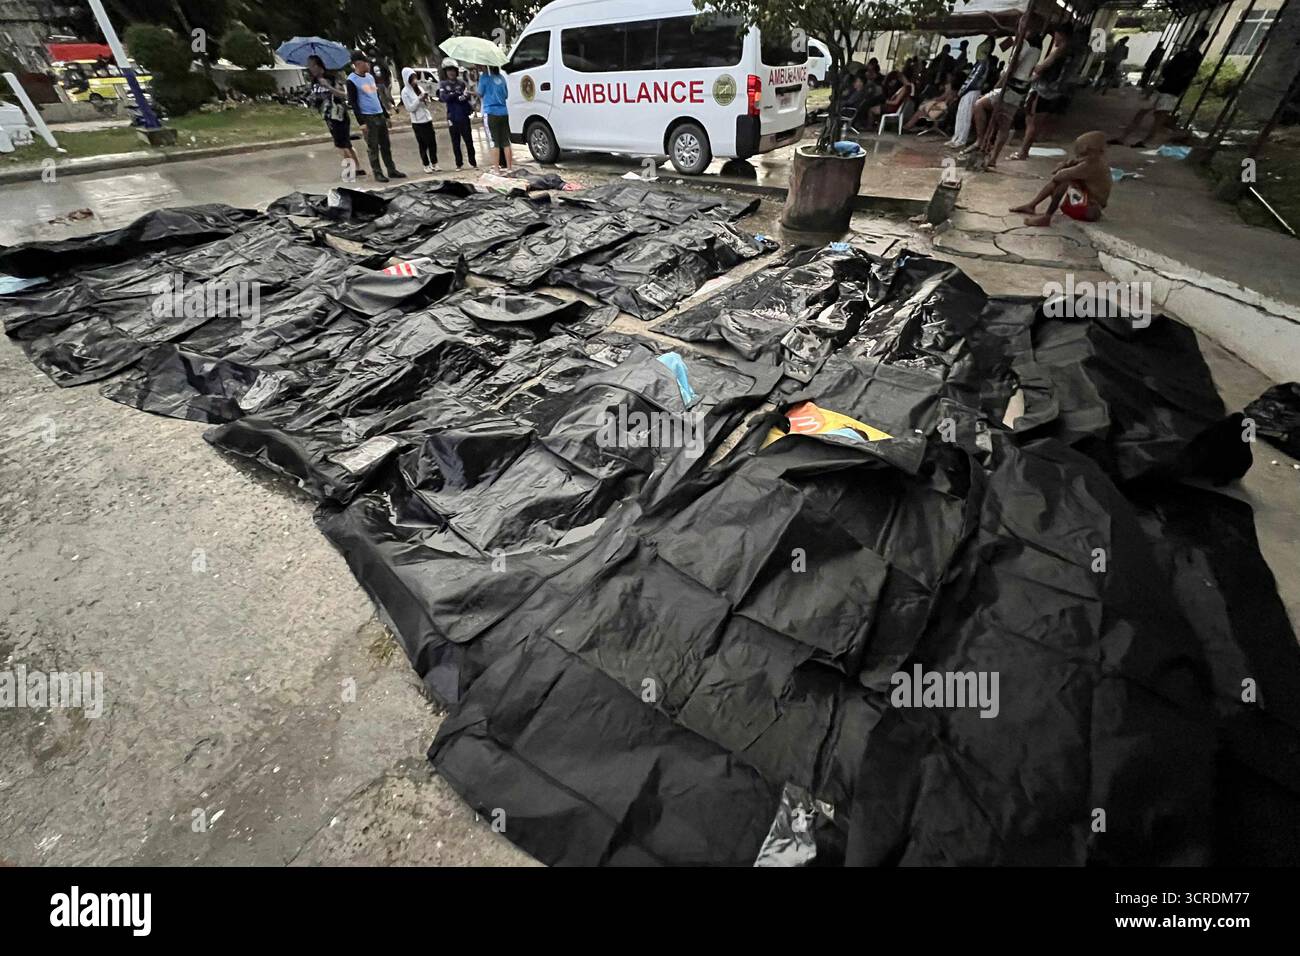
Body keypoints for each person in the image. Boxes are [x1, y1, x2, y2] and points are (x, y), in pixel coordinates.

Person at [1110, 30, 1208, 147]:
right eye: (1193, 40)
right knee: (1143, 112)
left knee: (1158, 118)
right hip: (1165, 87)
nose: (1193, 42)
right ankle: (1124, 138)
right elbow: (1169, 70)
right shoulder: (1182, 55)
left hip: (1172, 90)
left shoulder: (1195, 58)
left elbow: (1186, 74)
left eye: (1196, 40)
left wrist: (1175, 79)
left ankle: (1145, 141)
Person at [1009, 130, 1112, 225]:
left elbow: (1059, 176)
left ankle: (1046, 217)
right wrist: (1067, 164)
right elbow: (1076, 162)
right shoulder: (1096, 160)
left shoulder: (1091, 165)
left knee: (1063, 181)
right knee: (1063, 179)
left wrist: (1064, 167)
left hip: (1090, 210)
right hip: (1090, 205)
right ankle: (1031, 206)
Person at [1011, 23, 1073, 160]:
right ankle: (1025, 150)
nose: (1054, 37)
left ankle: (1023, 152)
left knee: (1031, 122)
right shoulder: (1071, 53)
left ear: (1061, 34)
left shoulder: (1058, 51)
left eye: (1055, 34)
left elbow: (1040, 68)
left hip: (1042, 90)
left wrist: (1035, 68)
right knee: (1037, 123)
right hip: (1055, 91)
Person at [347, 51, 405, 182]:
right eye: (365, 62)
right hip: (368, 116)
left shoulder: (370, 77)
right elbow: (354, 103)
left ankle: (391, 169)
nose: (368, 65)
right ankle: (377, 172)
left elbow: (376, 97)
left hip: (379, 113)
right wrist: (361, 122)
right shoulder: (352, 81)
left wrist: (386, 115)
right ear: (357, 63)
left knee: (386, 144)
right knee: (373, 147)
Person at [306, 54, 366, 180]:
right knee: (345, 144)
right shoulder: (314, 81)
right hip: (328, 116)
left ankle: (351, 170)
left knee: (341, 144)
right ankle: (357, 168)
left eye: (311, 65)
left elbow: (344, 95)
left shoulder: (332, 78)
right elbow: (317, 98)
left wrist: (328, 87)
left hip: (338, 114)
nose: (310, 68)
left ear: (317, 65)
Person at [947, 46, 995, 147]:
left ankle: (961, 140)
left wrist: (962, 91)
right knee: (961, 114)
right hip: (967, 91)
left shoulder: (983, 64)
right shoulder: (979, 64)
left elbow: (973, 80)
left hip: (972, 91)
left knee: (965, 116)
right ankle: (956, 137)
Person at [437, 61, 477, 169]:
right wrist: (455, 94)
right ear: (446, 72)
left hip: (463, 116)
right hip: (452, 117)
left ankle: (473, 162)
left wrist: (461, 97)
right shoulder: (443, 84)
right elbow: (444, 98)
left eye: (453, 70)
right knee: (456, 142)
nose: (451, 72)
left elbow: (466, 97)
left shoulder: (461, 83)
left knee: (469, 140)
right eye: (449, 70)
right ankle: (459, 164)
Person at [400, 68, 440, 173]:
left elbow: (427, 104)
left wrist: (426, 99)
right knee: (423, 144)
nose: (414, 80)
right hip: (418, 122)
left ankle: (435, 163)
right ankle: (426, 164)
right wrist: (418, 100)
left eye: (414, 77)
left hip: (427, 118)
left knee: (432, 142)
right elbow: (409, 108)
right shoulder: (405, 92)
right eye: (411, 78)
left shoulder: (419, 88)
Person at [478, 63, 512, 170]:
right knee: (506, 141)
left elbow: (480, 93)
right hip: (503, 112)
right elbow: (506, 95)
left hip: (490, 112)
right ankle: (509, 168)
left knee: (494, 142)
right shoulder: (501, 78)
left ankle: (496, 169)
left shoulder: (484, 77)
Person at [869, 63, 916, 128]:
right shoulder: (910, 87)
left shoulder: (905, 88)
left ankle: (869, 127)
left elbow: (896, 102)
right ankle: (878, 125)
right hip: (894, 107)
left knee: (871, 110)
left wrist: (886, 101)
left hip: (892, 108)